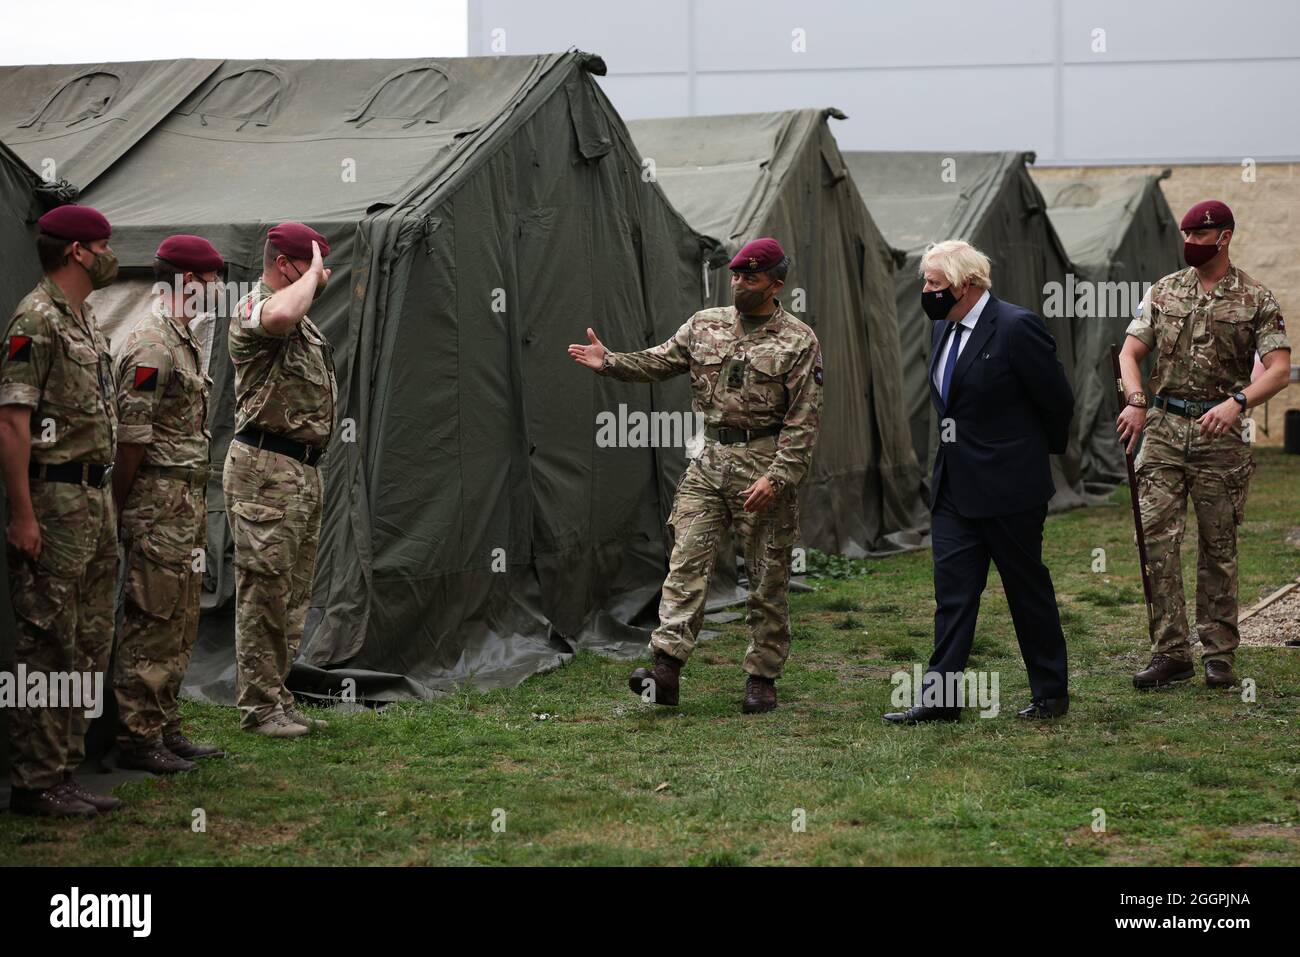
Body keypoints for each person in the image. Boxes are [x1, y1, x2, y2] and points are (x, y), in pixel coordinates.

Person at [567, 237, 823, 714]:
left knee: (767, 579)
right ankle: (665, 668)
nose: (740, 283)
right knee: (686, 563)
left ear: (776, 284)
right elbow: (661, 360)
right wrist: (612, 362)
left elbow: (803, 420)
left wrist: (778, 477)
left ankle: (762, 677)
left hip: (763, 467)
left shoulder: (797, 340)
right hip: (709, 463)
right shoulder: (705, 325)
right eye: (736, 275)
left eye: (751, 277)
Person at [884, 240, 1074, 725]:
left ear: (965, 285)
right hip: (954, 489)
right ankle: (941, 697)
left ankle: (1050, 694)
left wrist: (1026, 457)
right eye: (925, 281)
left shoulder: (1015, 327)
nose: (925, 291)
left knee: (1025, 590)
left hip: (1011, 490)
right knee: (952, 596)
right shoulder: (942, 329)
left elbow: (1057, 401)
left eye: (934, 283)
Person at [1117, 200, 1291, 689]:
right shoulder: (1165, 291)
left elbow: (1277, 370)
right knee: (1157, 544)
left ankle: (1219, 654)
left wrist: (1238, 402)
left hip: (1221, 437)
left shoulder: (1256, 298)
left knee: (1218, 548)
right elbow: (1131, 353)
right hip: (1165, 432)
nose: (1190, 242)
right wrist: (1135, 400)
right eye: (1186, 234)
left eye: (1201, 234)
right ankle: (1170, 652)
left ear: (1225, 236)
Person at [0, 205, 121, 815]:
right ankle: (34, 779)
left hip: (94, 502)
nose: (110, 254)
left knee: (88, 641)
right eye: (104, 244)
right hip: (53, 500)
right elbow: (11, 422)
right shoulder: (36, 318)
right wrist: (22, 515)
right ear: (77, 251)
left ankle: (66, 769)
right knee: (47, 642)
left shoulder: (85, 319)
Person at [112, 235, 227, 773]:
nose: (219, 288)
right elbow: (132, 435)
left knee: (179, 617)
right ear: (190, 281)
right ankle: (137, 735)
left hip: (181, 500)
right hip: (157, 501)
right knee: (151, 615)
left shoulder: (183, 338)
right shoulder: (153, 343)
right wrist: (120, 502)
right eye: (212, 279)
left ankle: (164, 724)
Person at [224, 223, 336, 736]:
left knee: (292, 594)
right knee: (264, 591)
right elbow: (283, 313)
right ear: (286, 264)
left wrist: (308, 276)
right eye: (317, 265)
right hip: (265, 470)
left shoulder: (302, 323)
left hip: (301, 470)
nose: (325, 276)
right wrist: (310, 276)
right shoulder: (258, 305)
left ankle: (277, 696)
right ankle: (258, 707)